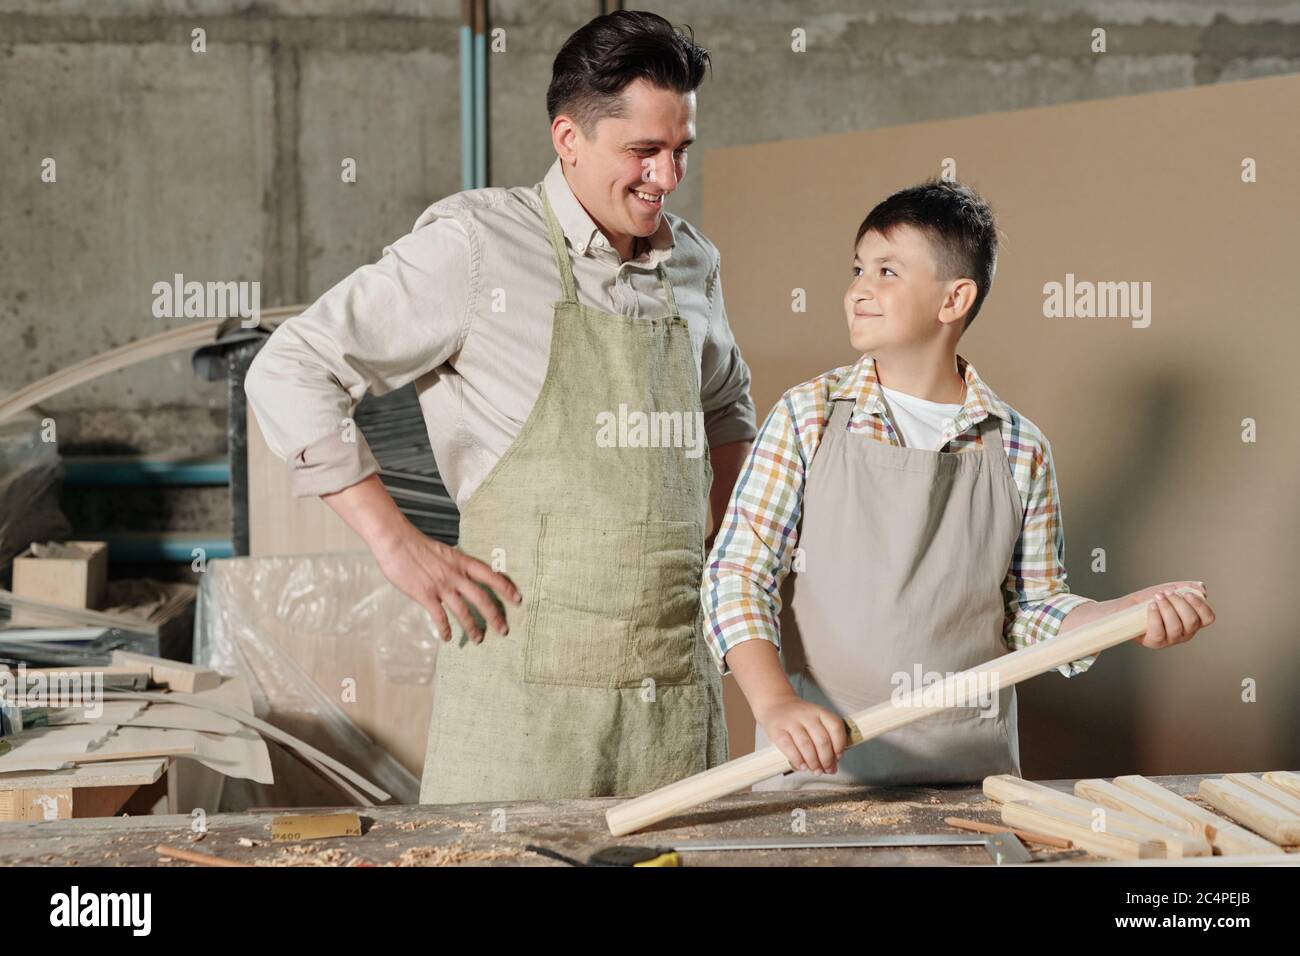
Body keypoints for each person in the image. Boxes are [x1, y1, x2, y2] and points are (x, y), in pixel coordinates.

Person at [246, 11, 756, 802]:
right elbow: (289, 366)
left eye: (680, 149)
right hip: (523, 709)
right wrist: (397, 544)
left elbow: (725, 405)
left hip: (675, 707)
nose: (668, 176)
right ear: (568, 138)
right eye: (643, 152)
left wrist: (728, 547)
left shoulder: (692, 262)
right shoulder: (476, 246)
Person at [702, 179, 1215, 789]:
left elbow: (1031, 611)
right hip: (821, 777)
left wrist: (1117, 616)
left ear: (955, 299)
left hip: (973, 781)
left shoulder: (1020, 448)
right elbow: (736, 573)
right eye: (858, 268)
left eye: (887, 271)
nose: (859, 289)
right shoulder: (806, 417)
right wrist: (775, 704)